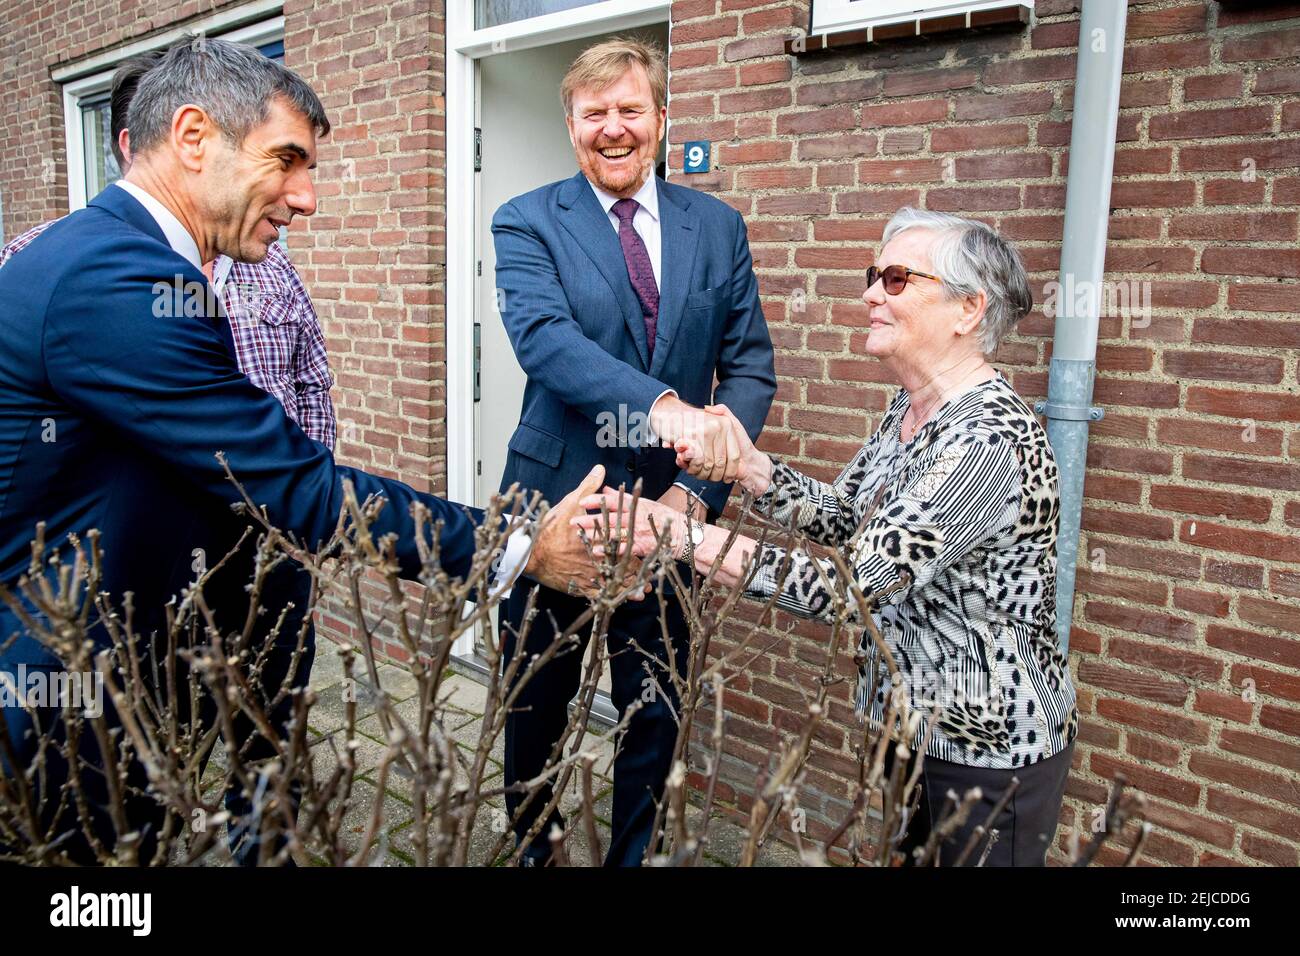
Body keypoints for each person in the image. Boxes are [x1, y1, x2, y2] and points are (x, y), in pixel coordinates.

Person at [0, 37, 610, 864]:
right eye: (286, 160)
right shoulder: (116, 278)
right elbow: (295, 489)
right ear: (192, 137)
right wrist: (524, 545)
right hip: (75, 690)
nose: (306, 197)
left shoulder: (121, 257)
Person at [578, 208, 1080, 866]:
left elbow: (845, 590)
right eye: (874, 274)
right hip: (909, 728)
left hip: (983, 752)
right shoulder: (913, 406)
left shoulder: (986, 441)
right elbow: (847, 518)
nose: (871, 292)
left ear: (967, 309)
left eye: (897, 278)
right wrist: (750, 468)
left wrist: (675, 534)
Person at [491, 36, 776, 866]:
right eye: (593, 114)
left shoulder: (718, 227)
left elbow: (750, 363)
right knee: (535, 701)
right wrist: (668, 410)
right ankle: (534, 851)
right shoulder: (527, 219)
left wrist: (695, 498)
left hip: (671, 516)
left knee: (654, 709)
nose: (612, 129)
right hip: (557, 504)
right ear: (570, 123)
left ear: (659, 117)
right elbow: (544, 342)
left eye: (628, 110)